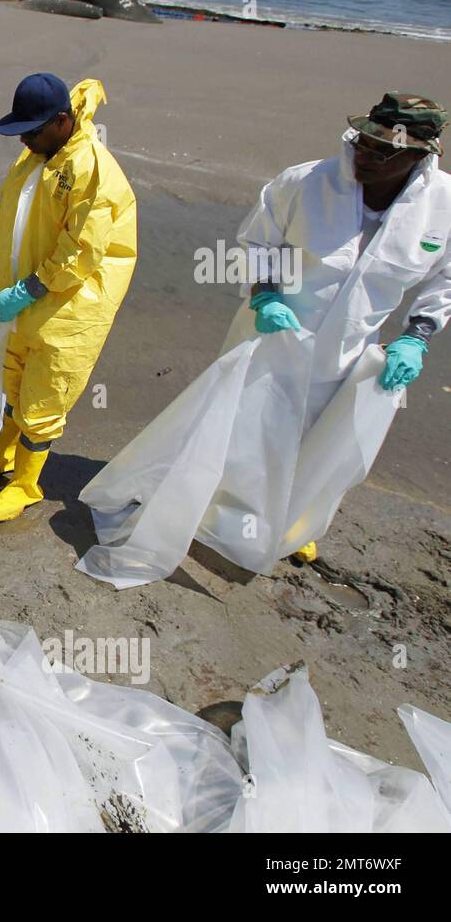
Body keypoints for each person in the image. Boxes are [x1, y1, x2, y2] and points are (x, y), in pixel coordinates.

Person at [76, 93, 449, 587]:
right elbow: (257, 243)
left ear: (421, 156)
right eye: (363, 141)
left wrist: (416, 337)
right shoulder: (306, 182)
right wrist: (266, 295)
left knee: (312, 441)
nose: (365, 155)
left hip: (348, 352)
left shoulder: (441, 207)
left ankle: (285, 523)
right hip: (272, 334)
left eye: (384, 152)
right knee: (237, 426)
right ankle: (201, 505)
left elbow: (444, 279)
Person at [0, 74, 138, 523]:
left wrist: (30, 290)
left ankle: (26, 484)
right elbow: (9, 210)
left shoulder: (92, 172)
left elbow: (81, 250)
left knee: (44, 397)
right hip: (26, 301)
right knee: (15, 382)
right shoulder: (36, 156)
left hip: (70, 308)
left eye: (31, 131)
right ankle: (2, 454)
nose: (22, 139)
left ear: (61, 121)